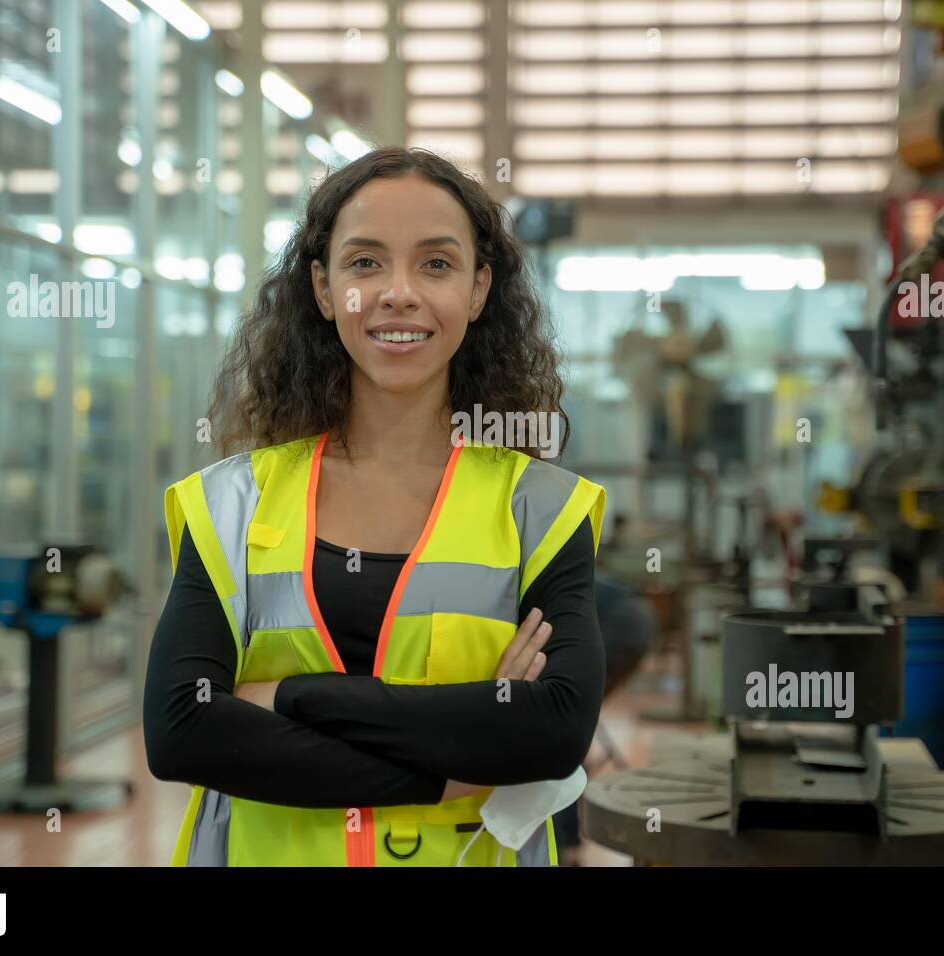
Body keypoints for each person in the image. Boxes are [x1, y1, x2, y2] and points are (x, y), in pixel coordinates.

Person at [143, 146, 607, 866]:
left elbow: (552, 732)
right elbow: (182, 731)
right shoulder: (231, 505)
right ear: (324, 290)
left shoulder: (541, 512)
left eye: (436, 264)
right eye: (365, 263)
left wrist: (287, 697)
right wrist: (458, 766)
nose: (398, 293)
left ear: (479, 290)